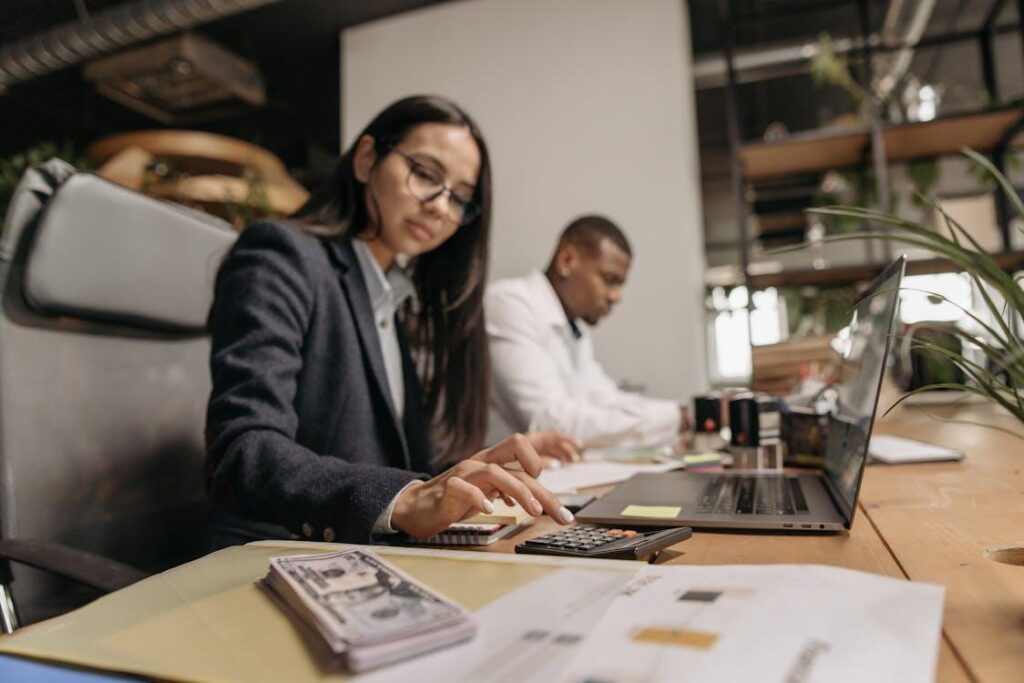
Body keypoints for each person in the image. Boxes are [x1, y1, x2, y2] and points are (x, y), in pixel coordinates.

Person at [204, 95, 576, 549]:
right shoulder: (280, 256)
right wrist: (404, 498)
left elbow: (381, 458)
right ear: (366, 160)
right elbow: (244, 451)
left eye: (460, 197)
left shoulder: (389, 294)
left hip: (362, 555)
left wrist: (476, 469)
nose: (441, 206)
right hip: (270, 557)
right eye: (426, 175)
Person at [486, 215, 690, 448]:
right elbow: (548, 421)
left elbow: (606, 399)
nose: (616, 296)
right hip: (491, 476)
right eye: (609, 280)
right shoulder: (510, 303)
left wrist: (683, 413)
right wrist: (678, 417)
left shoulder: (574, 329)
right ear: (567, 260)